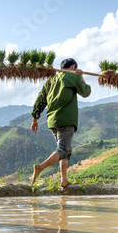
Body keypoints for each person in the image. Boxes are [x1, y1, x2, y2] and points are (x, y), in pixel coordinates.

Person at [29, 57, 91, 188]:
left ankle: (64, 180)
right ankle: (40, 168)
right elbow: (86, 92)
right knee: (63, 149)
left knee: (65, 151)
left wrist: (35, 118)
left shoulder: (50, 81)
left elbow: (40, 100)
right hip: (66, 119)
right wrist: (80, 77)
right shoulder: (72, 76)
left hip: (53, 121)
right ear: (73, 67)